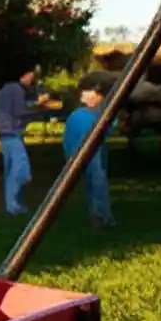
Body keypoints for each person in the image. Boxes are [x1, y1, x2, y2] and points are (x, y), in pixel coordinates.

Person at [0, 66, 50, 215]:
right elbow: (21, 111)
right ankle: (14, 205)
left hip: (4, 133)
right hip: (12, 133)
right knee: (21, 170)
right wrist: (39, 106)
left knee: (10, 170)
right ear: (24, 74)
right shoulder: (17, 89)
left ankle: (12, 205)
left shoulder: (5, 88)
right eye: (31, 74)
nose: (32, 78)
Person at [62, 79, 117, 227]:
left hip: (94, 154)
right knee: (94, 184)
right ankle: (99, 215)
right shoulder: (78, 116)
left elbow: (110, 129)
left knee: (96, 183)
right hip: (82, 155)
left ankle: (100, 214)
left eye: (97, 96)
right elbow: (69, 138)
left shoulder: (101, 114)